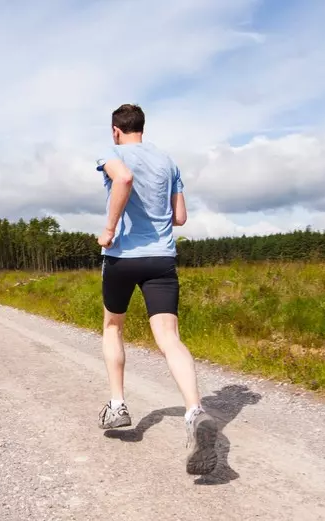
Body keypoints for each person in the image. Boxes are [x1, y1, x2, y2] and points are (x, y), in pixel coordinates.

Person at [94, 103, 214, 475]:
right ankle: (195, 411)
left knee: (114, 326)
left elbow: (124, 179)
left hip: (122, 257)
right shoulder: (167, 161)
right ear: (141, 128)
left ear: (116, 131)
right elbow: (180, 217)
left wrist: (110, 230)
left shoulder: (112, 153)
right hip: (162, 258)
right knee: (169, 338)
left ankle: (117, 406)